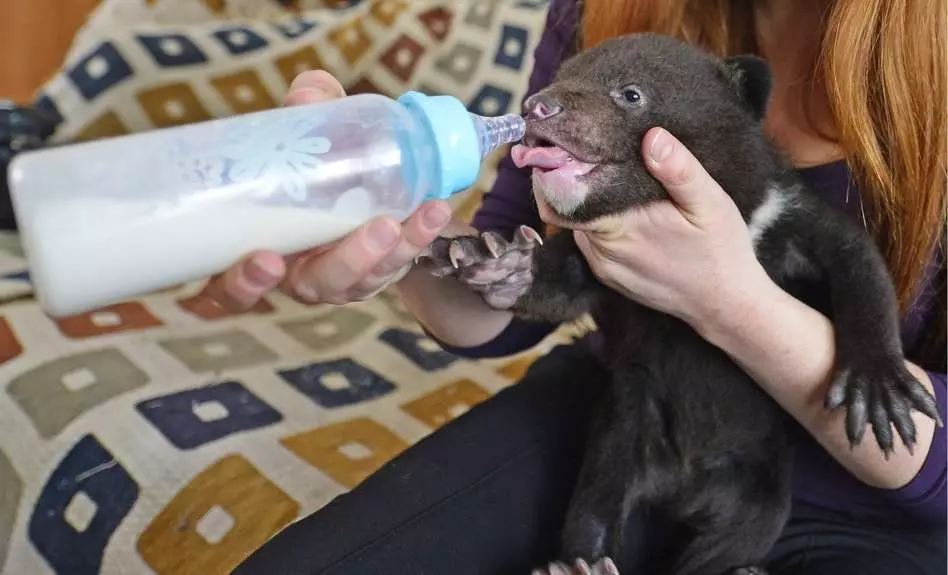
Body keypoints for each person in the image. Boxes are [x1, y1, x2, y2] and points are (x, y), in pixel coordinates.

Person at [221, 0, 947, 572]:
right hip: (623, 409)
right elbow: (511, 301)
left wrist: (729, 302)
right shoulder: (607, 13)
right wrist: (391, 224)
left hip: (869, 501)